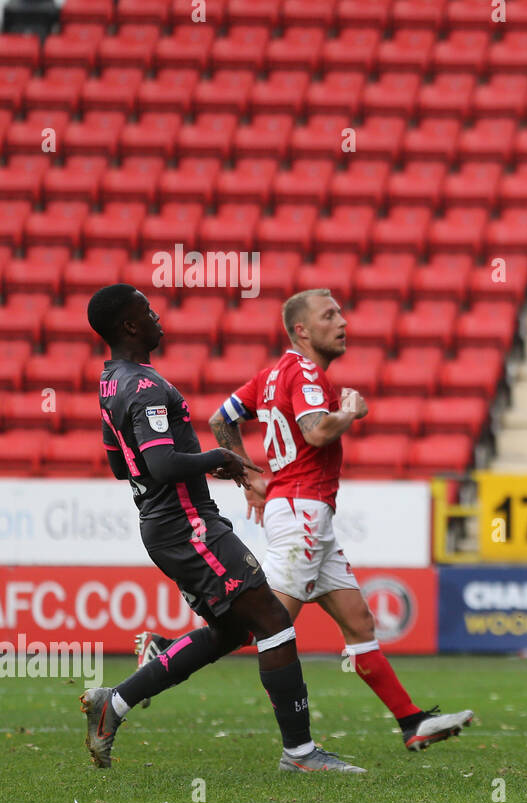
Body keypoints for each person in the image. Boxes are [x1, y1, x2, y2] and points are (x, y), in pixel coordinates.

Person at [174, 287, 472, 751]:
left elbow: (220, 420)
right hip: (302, 510)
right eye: (329, 315)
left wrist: (247, 476)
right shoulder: (307, 371)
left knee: (359, 623)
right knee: (265, 626)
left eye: (341, 313)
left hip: (301, 511)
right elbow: (315, 433)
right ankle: (166, 653)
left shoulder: (272, 374)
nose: (343, 322)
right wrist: (348, 412)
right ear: (302, 330)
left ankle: (411, 722)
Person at [85, 283, 363, 772]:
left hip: (168, 522)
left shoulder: (111, 381)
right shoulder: (145, 386)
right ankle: (300, 754)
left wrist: (191, 467)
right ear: (129, 326)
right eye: (146, 311)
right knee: (273, 621)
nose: (156, 315)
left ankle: (117, 702)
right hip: (187, 525)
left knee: (231, 630)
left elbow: (118, 464)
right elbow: (165, 462)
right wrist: (219, 458)